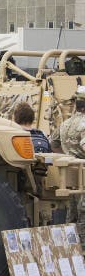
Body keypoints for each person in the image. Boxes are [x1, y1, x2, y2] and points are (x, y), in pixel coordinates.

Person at [50, 86, 85, 250]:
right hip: (83, 177)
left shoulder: (65, 124)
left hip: (70, 176)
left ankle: (70, 250)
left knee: (72, 214)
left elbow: (53, 143)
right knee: (83, 215)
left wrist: (68, 156)